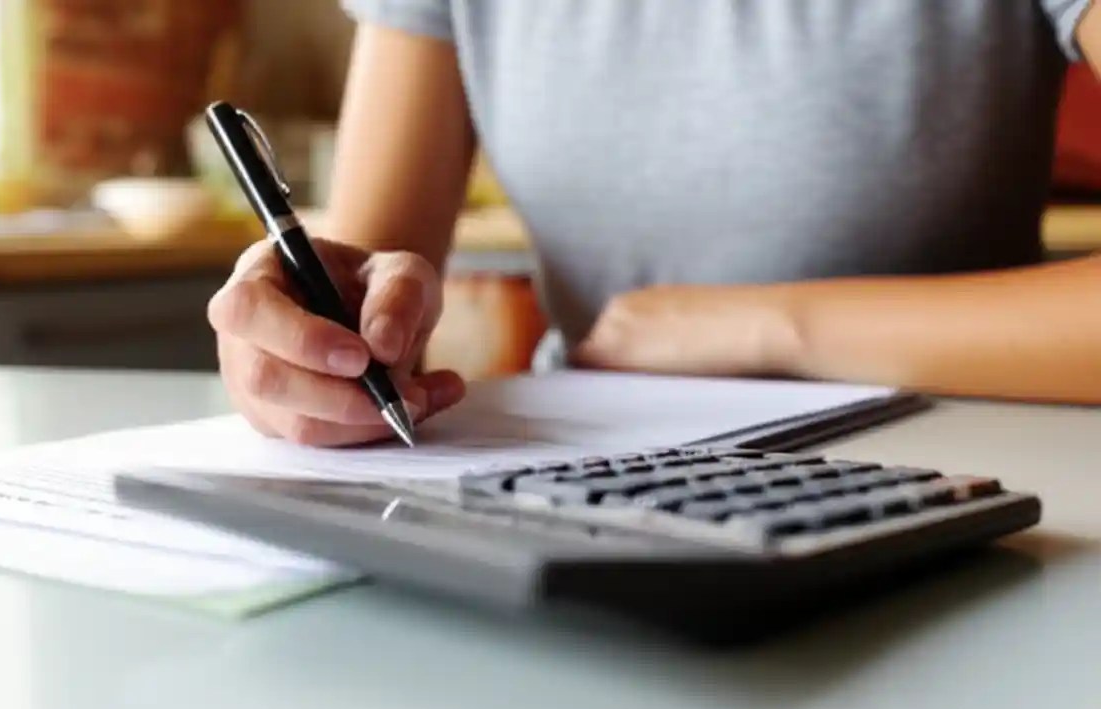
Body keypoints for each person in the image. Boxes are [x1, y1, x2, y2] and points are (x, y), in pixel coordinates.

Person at [208, 1, 1101, 447]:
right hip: (592, 478)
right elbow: (364, 289)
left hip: (966, 473)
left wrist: (768, 326)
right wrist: (303, 356)